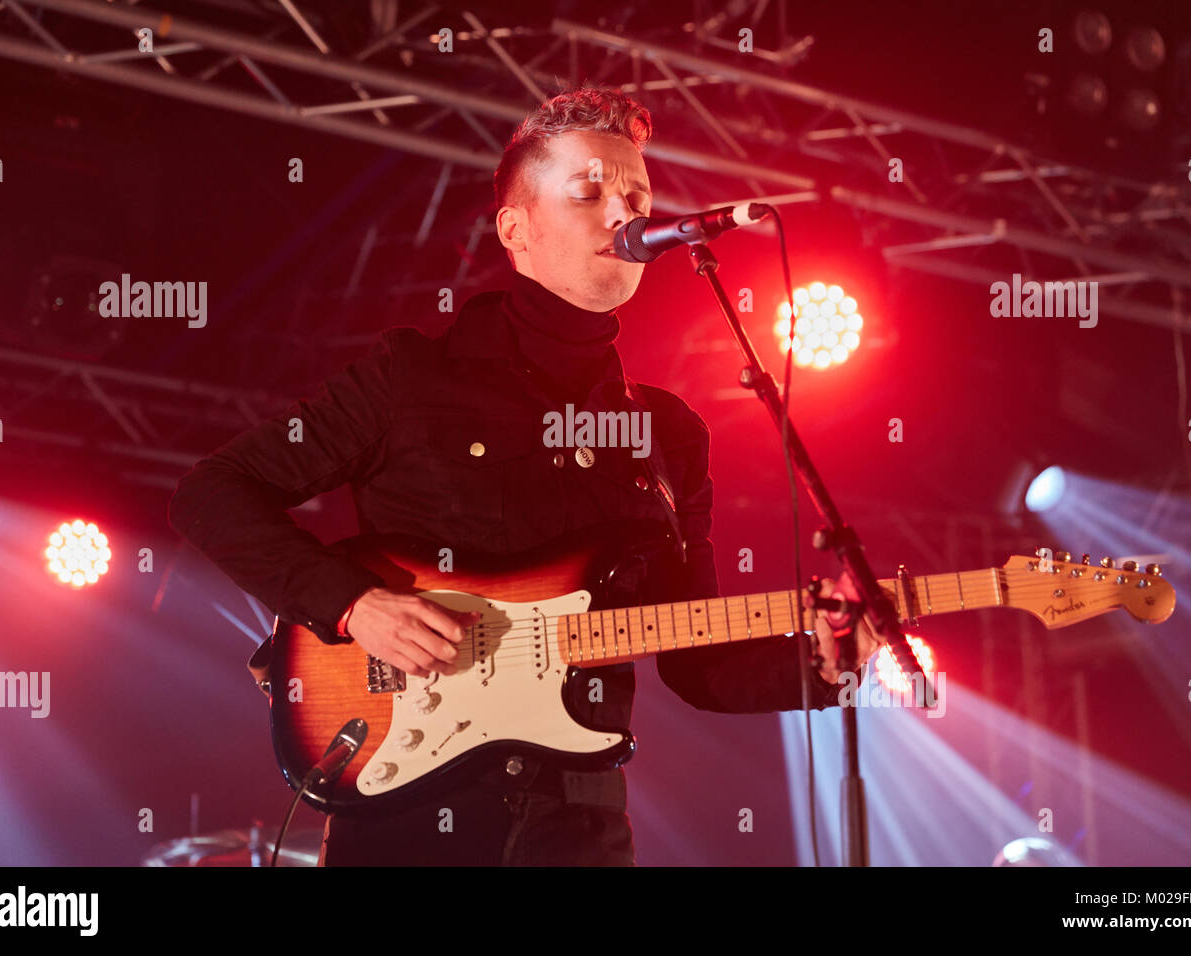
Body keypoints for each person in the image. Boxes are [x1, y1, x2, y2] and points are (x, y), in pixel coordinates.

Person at [168, 87, 883, 866]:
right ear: (518, 229)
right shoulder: (413, 377)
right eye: (590, 192)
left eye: (637, 194)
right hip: (410, 807)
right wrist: (353, 605)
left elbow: (699, 663)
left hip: (577, 824)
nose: (624, 212)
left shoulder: (668, 435)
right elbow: (212, 491)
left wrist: (822, 661)